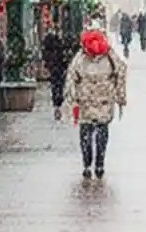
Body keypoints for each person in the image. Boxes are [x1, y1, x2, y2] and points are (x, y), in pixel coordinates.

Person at [65, 24, 128, 179]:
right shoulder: (110, 56)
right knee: (102, 131)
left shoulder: (80, 57)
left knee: (85, 132)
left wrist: (71, 98)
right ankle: (100, 163)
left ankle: (87, 164)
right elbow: (121, 72)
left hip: (85, 100)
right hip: (104, 100)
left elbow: (71, 78)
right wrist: (120, 97)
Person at [42, 24, 72, 120]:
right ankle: (58, 105)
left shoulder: (50, 40)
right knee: (59, 85)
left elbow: (46, 54)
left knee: (56, 86)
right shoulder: (56, 41)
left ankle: (57, 105)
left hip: (56, 67)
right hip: (59, 67)